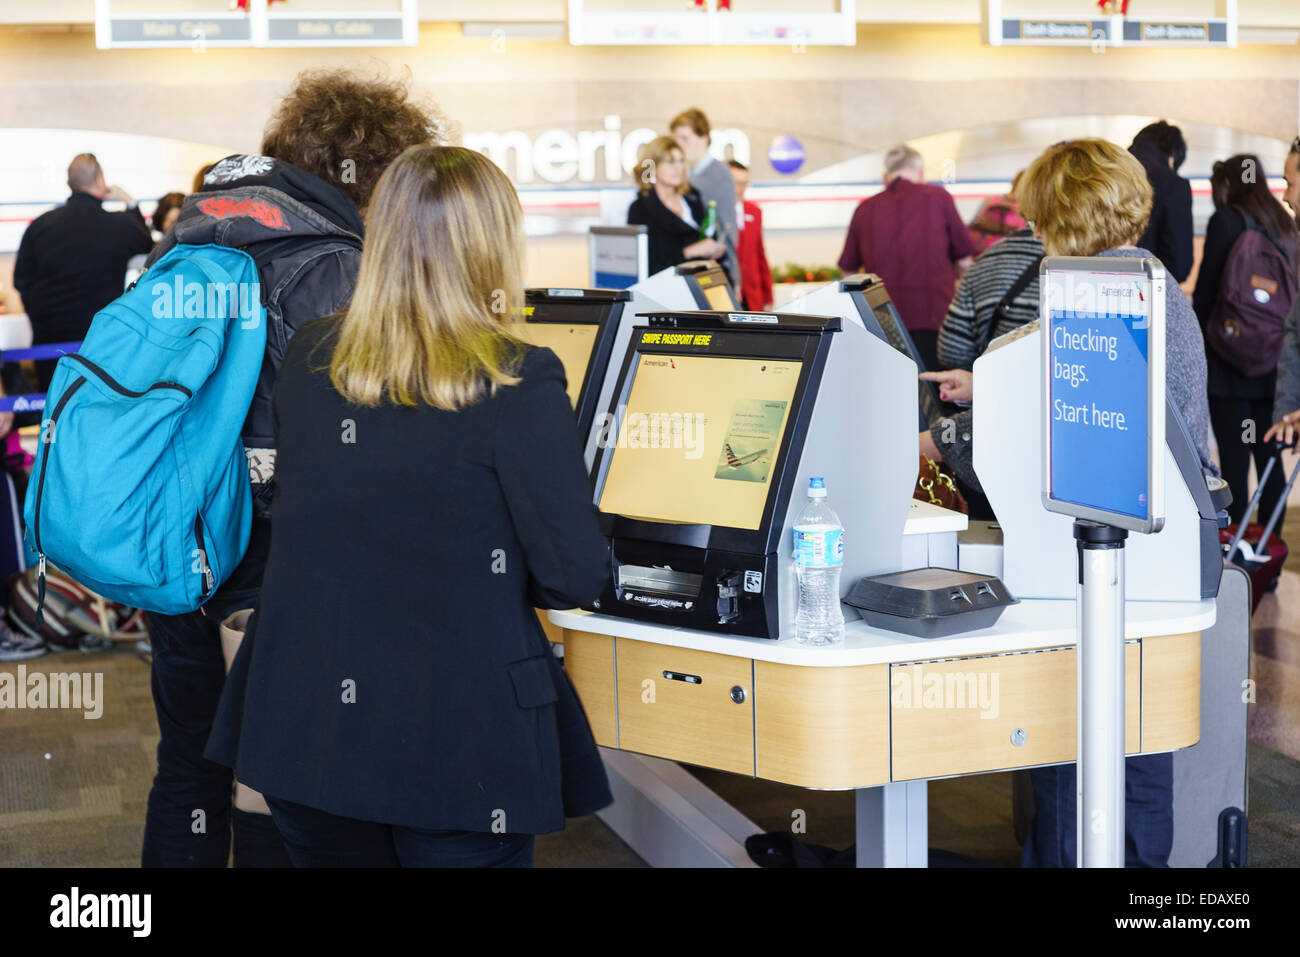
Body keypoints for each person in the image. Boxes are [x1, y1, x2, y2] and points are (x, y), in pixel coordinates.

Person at [204, 145, 613, 867]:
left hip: (306, 730)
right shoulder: (518, 377)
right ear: (494, 247)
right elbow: (573, 575)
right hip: (458, 747)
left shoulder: (311, 355)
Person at [140, 69, 446, 869]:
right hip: (274, 557)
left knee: (189, 767)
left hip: (179, 539)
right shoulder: (334, 262)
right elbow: (365, 432)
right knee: (284, 781)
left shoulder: (193, 237)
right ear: (372, 172)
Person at [932, 138, 1211, 869]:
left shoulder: (1093, 296)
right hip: (1156, 564)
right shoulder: (1145, 283)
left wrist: (946, 434)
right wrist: (988, 389)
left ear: (1059, 215)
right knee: (1136, 745)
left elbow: (1038, 436)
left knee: (1074, 757)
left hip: (1101, 573)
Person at [1193, 155, 1298, 528]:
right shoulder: (1283, 222)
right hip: (1273, 365)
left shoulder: (1228, 220)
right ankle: (1272, 550)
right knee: (1270, 463)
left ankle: (1237, 554)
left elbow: (1206, 295)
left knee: (1235, 464)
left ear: (1226, 185)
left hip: (1230, 365)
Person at [12, 153, 153, 389]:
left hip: (50, 344)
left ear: (70, 183)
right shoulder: (118, 225)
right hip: (101, 342)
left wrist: (40, 318)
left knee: (53, 408)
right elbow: (147, 243)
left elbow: (21, 281)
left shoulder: (40, 225)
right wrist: (131, 204)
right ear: (100, 181)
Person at [837, 143, 977, 373]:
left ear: (886, 176)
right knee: (938, 394)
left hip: (881, 325)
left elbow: (848, 272)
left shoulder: (865, 208)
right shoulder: (938, 198)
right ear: (920, 171)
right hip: (936, 322)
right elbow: (964, 262)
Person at [628, 136, 726, 277]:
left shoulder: (692, 198)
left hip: (702, 284)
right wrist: (690, 251)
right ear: (651, 167)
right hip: (667, 292)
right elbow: (647, 267)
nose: (677, 167)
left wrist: (714, 251)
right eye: (669, 162)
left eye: (680, 161)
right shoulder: (640, 210)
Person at [670, 108, 740, 289]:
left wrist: (735, 277)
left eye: (685, 138)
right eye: (675, 139)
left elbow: (727, 230)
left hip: (717, 270)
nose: (678, 146)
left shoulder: (717, 174)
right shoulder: (686, 174)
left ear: (704, 139)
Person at [1129, 121, 1194, 284]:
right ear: (1172, 158)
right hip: (1146, 292)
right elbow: (1179, 266)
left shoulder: (1107, 170)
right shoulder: (1174, 186)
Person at [729, 159, 773, 311]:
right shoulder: (714, 212)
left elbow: (760, 256)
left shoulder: (754, 211)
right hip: (727, 296)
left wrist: (768, 297)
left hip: (753, 297)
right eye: (736, 183)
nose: (740, 189)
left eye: (744, 183)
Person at [966, 171, 1028, 255]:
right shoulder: (1024, 206)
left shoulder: (993, 199)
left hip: (988, 251)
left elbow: (974, 222)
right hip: (1011, 252)